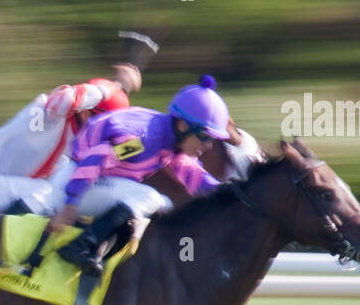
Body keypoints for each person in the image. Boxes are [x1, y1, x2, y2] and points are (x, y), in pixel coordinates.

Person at [50, 75, 232, 274]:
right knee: (150, 197)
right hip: (73, 182)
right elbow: (96, 158)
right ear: (183, 126)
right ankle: (83, 244)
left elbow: (194, 174)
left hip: (93, 182)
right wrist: (70, 205)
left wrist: (230, 192)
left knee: (163, 203)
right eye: (205, 136)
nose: (208, 146)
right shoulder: (142, 141)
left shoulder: (172, 143)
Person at [0, 64, 140, 215]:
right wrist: (112, 88)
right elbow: (66, 98)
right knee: (53, 196)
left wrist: (123, 93)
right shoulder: (48, 116)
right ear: (88, 111)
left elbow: (124, 151)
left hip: (0, 187)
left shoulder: (80, 140)